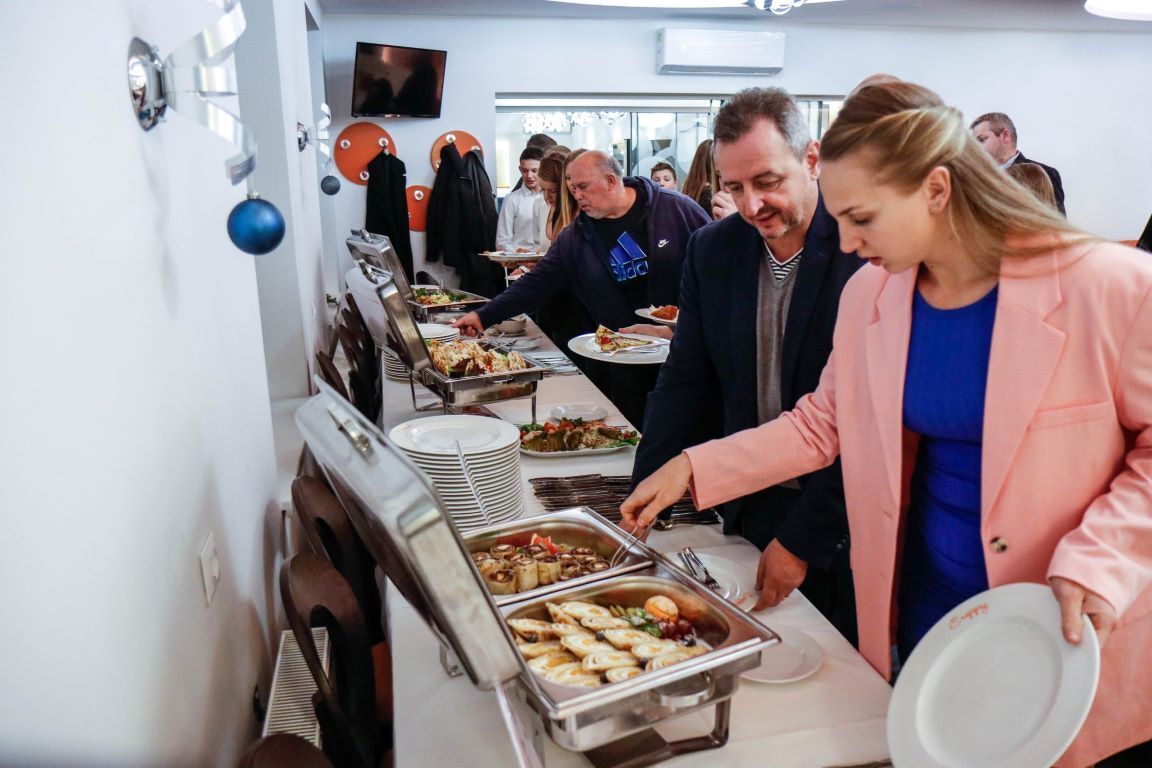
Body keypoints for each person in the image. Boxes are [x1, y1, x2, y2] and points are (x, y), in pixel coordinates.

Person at [622, 80, 1152, 768]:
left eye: (862, 218)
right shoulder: (873, 291)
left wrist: (1102, 558)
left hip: (1064, 615)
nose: (845, 240)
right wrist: (695, 465)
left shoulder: (1110, 285)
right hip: (922, 603)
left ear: (936, 189)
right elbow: (823, 422)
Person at [630, 87, 865, 637]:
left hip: (840, 512)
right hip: (748, 500)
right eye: (734, 187)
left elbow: (864, 426)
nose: (751, 205)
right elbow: (685, 380)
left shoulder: (864, 248)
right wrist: (646, 492)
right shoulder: (713, 249)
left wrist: (804, 538)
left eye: (767, 181)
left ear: (812, 159)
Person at [453, 150, 710, 425]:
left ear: (611, 181)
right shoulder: (576, 236)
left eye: (583, 187)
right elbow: (537, 282)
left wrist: (685, 330)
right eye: (573, 189)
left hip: (683, 355)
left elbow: (718, 271)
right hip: (622, 360)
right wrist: (484, 315)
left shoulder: (677, 210)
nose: (577, 196)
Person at [970, 111, 1066, 215]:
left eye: (981, 140)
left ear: (1005, 136)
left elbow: (1057, 221)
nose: (976, 148)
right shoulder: (974, 179)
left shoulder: (1046, 173)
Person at [495, 147, 544, 252]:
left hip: (549, 257)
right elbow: (502, 242)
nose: (529, 175)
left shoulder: (552, 198)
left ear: (543, 169)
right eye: (525, 171)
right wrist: (518, 253)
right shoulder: (511, 199)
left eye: (534, 171)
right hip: (519, 257)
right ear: (520, 169)